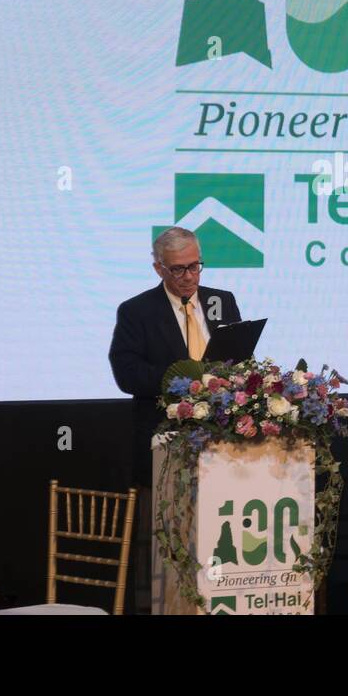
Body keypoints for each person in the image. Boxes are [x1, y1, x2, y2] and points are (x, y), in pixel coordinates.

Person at [108, 226, 241, 613]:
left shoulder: (222, 301)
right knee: (159, 549)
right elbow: (127, 373)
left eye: (195, 267)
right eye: (178, 270)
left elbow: (236, 361)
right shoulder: (136, 311)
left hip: (221, 447)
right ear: (159, 269)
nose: (189, 278)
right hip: (162, 445)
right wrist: (184, 382)